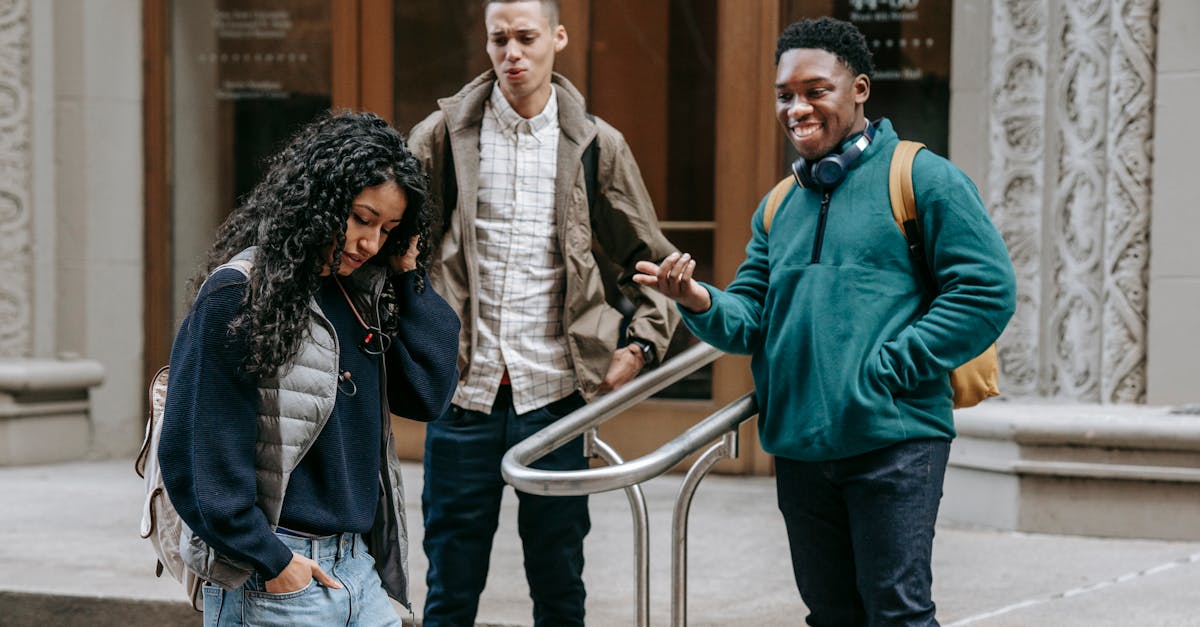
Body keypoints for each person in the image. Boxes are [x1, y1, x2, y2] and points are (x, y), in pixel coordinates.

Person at [634, 17, 1017, 627]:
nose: (796, 107)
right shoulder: (778, 205)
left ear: (859, 89)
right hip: (802, 449)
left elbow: (986, 292)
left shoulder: (922, 178)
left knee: (897, 613)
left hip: (894, 440)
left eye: (816, 90)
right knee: (831, 614)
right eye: (785, 95)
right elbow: (751, 318)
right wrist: (699, 299)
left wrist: (889, 368)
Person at [405, 1, 680, 624]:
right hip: (463, 398)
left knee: (560, 588)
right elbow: (389, 253)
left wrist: (639, 348)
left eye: (526, 38)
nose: (512, 54)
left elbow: (655, 264)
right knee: (449, 589)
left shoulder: (594, 144)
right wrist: (416, 351)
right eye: (498, 40)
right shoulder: (443, 136)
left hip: (556, 399)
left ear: (558, 37)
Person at [158, 111, 460, 626]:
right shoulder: (240, 295)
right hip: (277, 578)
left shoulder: (361, 293)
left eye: (388, 229)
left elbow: (429, 395)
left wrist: (409, 277)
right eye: (362, 218)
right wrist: (269, 559)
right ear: (322, 198)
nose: (370, 243)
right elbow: (194, 452)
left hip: (358, 571)